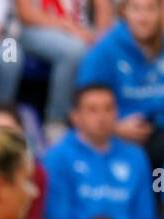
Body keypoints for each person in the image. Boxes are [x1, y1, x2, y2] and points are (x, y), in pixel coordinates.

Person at [43, 85, 155, 219]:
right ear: (75, 117)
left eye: (108, 109)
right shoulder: (57, 158)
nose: (101, 117)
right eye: (92, 110)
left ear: (117, 113)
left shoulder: (137, 156)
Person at [76, 0, 164, 167]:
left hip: (160, 131)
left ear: (161, 12)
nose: (143, 17)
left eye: (150, 9)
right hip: (116, 133)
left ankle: (160, 190)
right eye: (136, 9)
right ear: (124, 12)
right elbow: (84, 104)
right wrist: (114, 128)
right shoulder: (103, 51)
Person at [15, 0, 113, 139]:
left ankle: (98, 121)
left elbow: (102, 6)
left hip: (80, 31)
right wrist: (66, 26)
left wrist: (100, 38)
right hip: (35, 28)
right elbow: (26, 14)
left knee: (103, 50)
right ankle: (56, 123)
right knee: (74, 50)